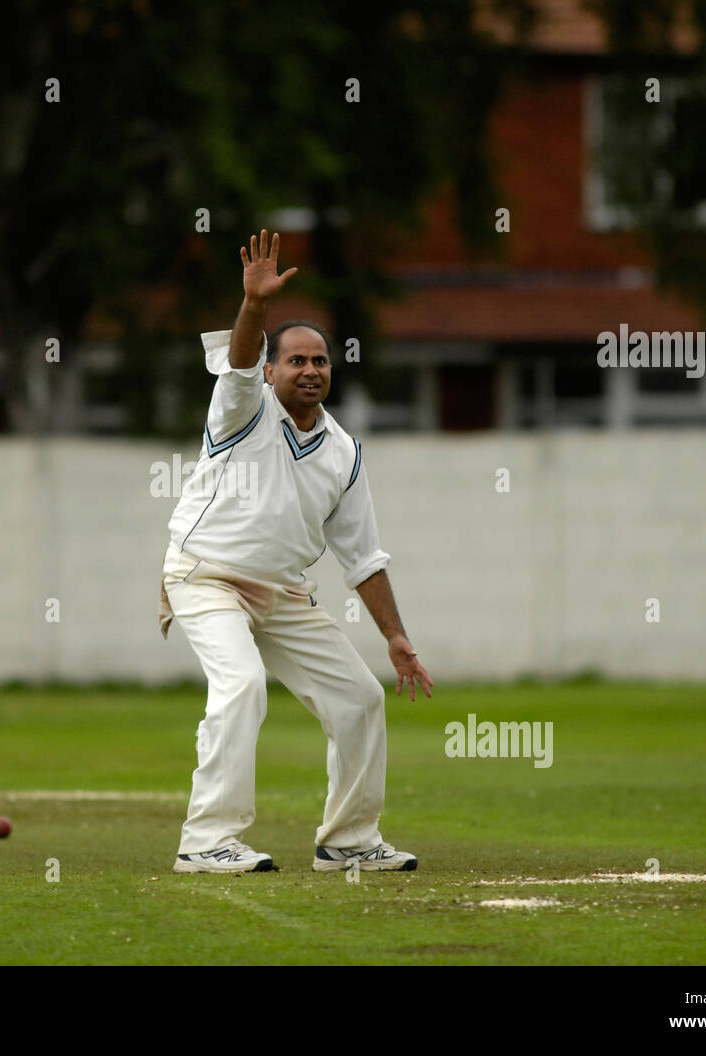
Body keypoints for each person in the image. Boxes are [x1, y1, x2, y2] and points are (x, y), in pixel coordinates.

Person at [160, 230, 434, 873]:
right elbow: (240, 356)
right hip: (205, 577)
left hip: (282, 592)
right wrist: (254, 305)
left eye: (320, 361)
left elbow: (363, 557)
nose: (310, 370)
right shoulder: (241, 408)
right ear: (271, 370)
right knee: (243, 684)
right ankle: (206, 841)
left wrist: (395, 636)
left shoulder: (343, 451)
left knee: (361, 699)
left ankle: (348, 839)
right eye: (296, 361)